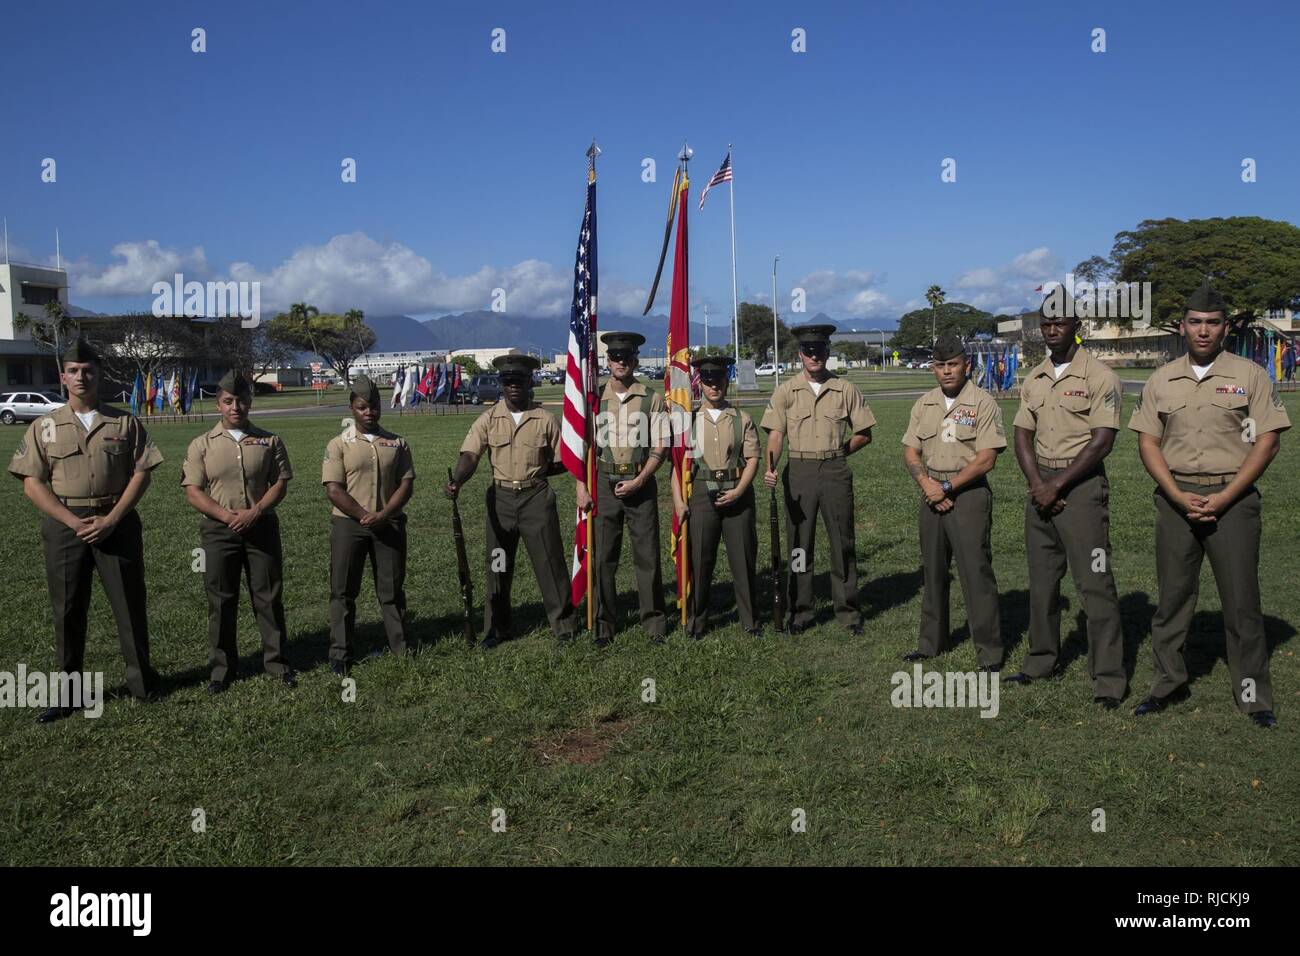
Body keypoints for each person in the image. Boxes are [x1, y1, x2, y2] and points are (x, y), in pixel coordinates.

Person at [1128, 279, 1289, 727]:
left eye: (1212, 323)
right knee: (1173, 598)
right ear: (1182, 327)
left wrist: (1225, 495)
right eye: (1195, 322)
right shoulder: (1161, 379)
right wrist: (1178, 496)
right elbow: (1147, 443)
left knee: (1241, 602)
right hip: (1175, 498)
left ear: (1225, 329)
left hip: (1233, 500)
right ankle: (1167, 684)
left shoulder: (1249, 375)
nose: (1203, 331)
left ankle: (1254, 697)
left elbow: (1268, 442)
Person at [8, 337, 163, 721]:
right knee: (68, 608)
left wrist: (111, 519)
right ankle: (69, 693)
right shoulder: (45, 426)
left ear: (99, 375)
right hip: (66, 526)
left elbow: (142, 473)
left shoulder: (124, 422)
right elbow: (32, 482)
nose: (81, 377)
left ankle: (142, 682)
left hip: (117, 521)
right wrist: (73, 522)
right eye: (74, 371)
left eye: (88, 370)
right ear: (63, 376)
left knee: (129, 604)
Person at [1004, 296, 1127, 708]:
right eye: (1046, 323)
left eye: (1060, 322)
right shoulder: (1035, 377)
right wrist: (1039, 483)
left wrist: (1057, 485)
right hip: (1040, 488)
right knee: (1042, 584)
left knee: (1094, 584)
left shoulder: (1100, 376)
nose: (1052, 329)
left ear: (1077, 323)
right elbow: (1022, 432)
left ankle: (1108, 678)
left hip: (1081, 491)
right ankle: (1041, 660)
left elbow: (1102, 441)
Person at [445, 353, 576, 648]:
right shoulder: (489, 419)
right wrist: (458, 480)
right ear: (501, 384)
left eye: (519, 380)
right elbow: (470, 455)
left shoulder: (544, 419)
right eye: (508, 381)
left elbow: (563, 460)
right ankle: (497, 628)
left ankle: (564, 626)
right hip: (501, 501)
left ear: (529, 382)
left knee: (549, 563)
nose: (514, 386)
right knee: (498, 566)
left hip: (536, 500)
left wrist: (540, 473)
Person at [180, 370, 296, 693]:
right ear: (218, 404)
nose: (236, 407)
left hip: (261, 528)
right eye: (229, 401)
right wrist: (226, 516)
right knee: (220, 600)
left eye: (242, 400)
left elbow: (281, 483)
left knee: (269, 596)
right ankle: (222, 671)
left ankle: (277, 663)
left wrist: (255, 511)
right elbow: (193, 489)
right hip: (219, 532)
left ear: (249, 403)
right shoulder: (201, 444)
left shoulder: (269, 440)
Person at [761, 323, 875, 634]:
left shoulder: (845, 389)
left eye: (820, 350)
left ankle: (848, 612)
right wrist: (771, 467)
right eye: (809, 351)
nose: (815, 356)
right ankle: (801, 611)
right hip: (799, 472)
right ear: (800, 355)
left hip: (835, 471)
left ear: (827, 352)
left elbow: (864, 433)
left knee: (843, 542)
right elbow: (776, 434)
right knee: (800, 546)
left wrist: (839, 452)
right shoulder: (786, 390)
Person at [900, 334, 1005, 669]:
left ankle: (989, 652)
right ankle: (931, 643)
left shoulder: (983, 402)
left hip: (968, 493)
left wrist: (946, 487)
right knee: (933, 572)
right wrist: (928, 484)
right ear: (933, 368)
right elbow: (910, 449)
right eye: (940, 365)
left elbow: (987, 458)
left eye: (953, 364)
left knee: (975, 572)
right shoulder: (924, 404)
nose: (947, 371)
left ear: (966, 365)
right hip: (931, 490)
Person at [575, 331, 670, 646]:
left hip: (640, 484)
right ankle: (604, 623)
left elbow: (661, 445)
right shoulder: (594, 398)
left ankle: (654, 623)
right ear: (607, 361)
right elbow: (584, 445)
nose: (621, 363)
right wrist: (581, 486)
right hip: (604, 482)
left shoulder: (651, 398)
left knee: (647, 556)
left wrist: (641, 479)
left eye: (626, 358)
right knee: (604, 557)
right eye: (615, 358)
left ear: (635, 360)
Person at [322, 373, 415, 673]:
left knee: (391, 590)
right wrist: (364, 514)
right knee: (343, 591)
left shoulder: (397, 443)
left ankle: (399, 647)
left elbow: (406, 483)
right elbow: (333, 489)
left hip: (388, 524)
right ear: (352, 408)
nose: (369, 412)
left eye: (373, 405)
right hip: (349, 526)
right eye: (362, 407)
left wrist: (384, 514)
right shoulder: (338, 444)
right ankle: (340, 653)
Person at [670, 354, 761, 638]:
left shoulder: (741, 418)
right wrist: (679, 502)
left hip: (737, 492)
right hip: (701, 494)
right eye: (708, 381)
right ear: (700, 384)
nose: (714, 387)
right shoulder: (688, 421)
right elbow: (677, 466)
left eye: (719, 380)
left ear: (726, 381)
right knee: (700, 560)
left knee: (743, 559)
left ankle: (750, 620)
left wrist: (739, 491)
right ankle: (697, 620)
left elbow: (753, 457)